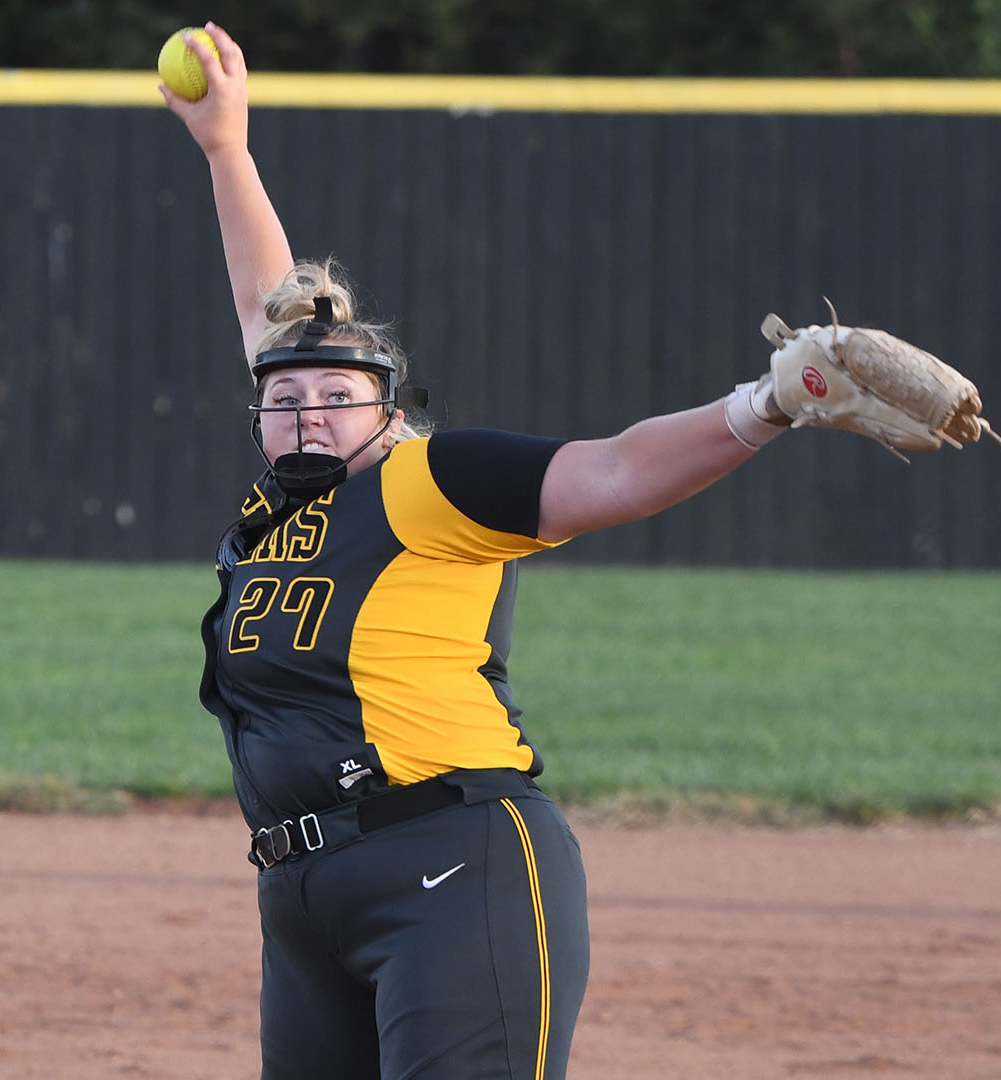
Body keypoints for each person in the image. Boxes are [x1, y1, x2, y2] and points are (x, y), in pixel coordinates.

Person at [162, 24, 791, 1080]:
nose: (309, 412)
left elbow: (618, 473)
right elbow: (268, 320)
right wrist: (227, 149)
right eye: (286, 398)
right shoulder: (278, 503)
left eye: (339, 398)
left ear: (391, 412)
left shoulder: (430, 482)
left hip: (453, 862)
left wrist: (768, 404)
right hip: (304, 900)